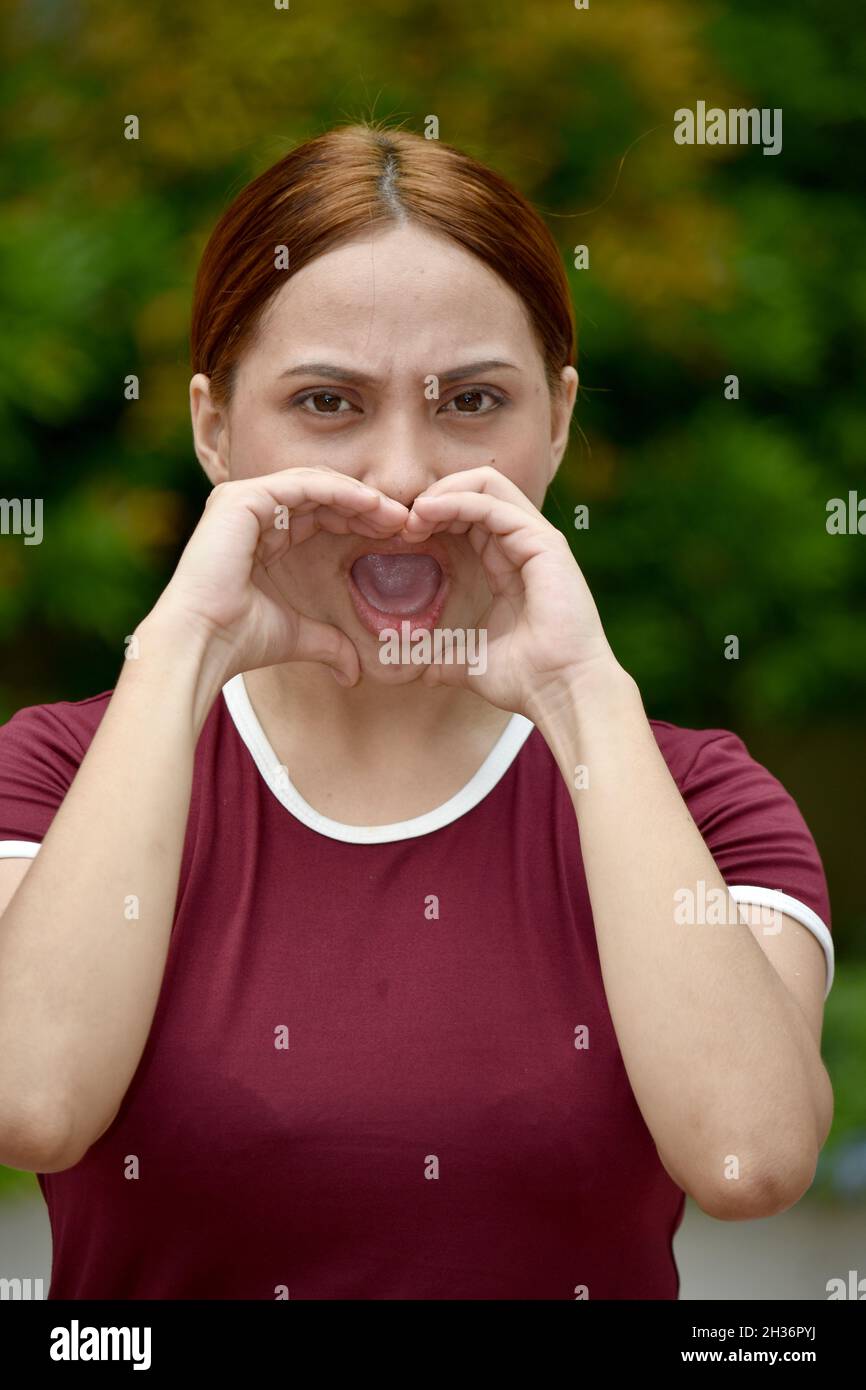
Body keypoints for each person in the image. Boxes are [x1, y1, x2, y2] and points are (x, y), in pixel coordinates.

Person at [0, 122, 833, 1300]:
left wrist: (582, 697)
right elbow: (29, 1102)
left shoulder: (697, 799)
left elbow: (748, 1160)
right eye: (327, 400)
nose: (401, 475)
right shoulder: (53, 771)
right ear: (212, 427)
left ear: (555, 417)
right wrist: (179, 650)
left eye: (473, 400)